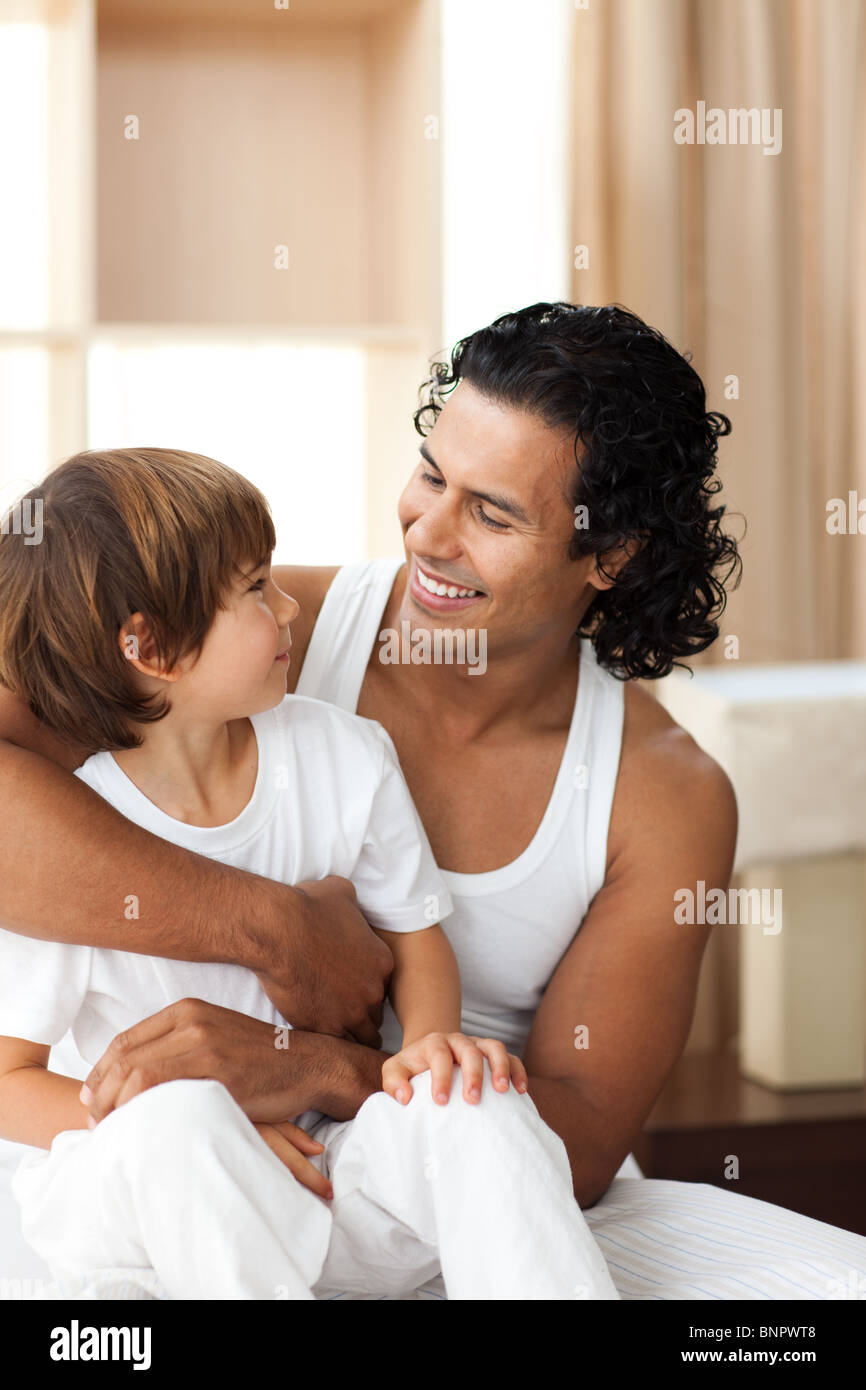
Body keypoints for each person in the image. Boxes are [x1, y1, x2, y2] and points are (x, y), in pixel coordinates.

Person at [1, 302, 864, 1299]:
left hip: (450, 1174)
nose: (428, 534)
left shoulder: (661, 793)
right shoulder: (245, 633)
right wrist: (268, 927)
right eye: (429, 473)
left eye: (494, 513)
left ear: (611, 553)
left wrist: (321, 1067)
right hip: (175, 1162)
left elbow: (578, 1138)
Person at [0, 447, 619, 1301]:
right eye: (255, 589)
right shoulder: (71, 828)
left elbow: (418, 939)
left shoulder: (344, 755)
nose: (290, 605)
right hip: (154, 1210)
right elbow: (9, 1077)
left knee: (474, 1096)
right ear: (150, 646)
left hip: (327, 1170)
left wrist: (433, 1052)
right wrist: (214, 1132)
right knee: (177, 1116)